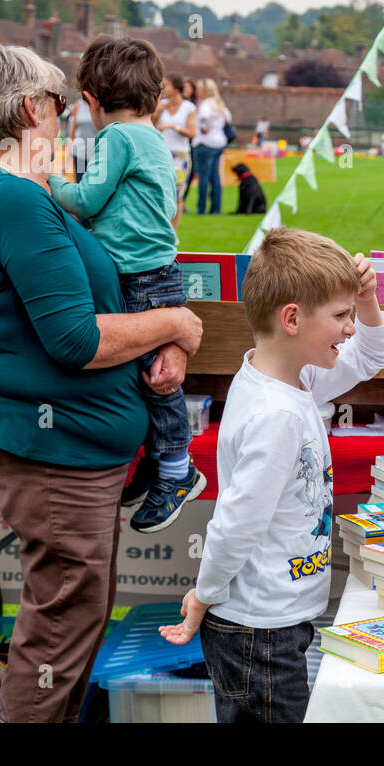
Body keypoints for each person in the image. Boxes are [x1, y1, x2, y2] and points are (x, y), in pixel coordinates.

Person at [0, 41, 203, 721]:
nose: (64, 117)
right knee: (56, 636)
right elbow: (76, 339)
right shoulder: (16, 202)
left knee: (69, 625)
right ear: (29, 108)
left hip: (67, 450)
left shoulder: (18, 195)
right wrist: (174, 322)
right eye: (57, 104)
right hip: (55, 454)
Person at [159, 227, 384, 723]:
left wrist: (368, 301)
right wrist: (203, 597)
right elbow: (236, 523)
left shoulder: (296, 375)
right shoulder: (277, 414)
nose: (351, 328)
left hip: (272, 624)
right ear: (292, 318)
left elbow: (372, 356)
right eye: (340, 315)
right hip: (258, 634)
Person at [48, 35, 207, 534]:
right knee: (153, 376)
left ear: (92, 100)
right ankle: (158, 464)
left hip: (139, 277)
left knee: (157, 381)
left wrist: (49, 182)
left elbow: (89, 200)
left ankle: (177, 471)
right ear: (156, 97)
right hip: (160, 273)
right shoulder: (157, 139)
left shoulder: (115, 138)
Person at [156, 74, 196, 226]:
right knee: (161, 193)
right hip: (162, 154)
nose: (164, 89)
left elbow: (192, 133)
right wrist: (158, 112)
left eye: (167, 85)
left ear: (177, 89)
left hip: (180, 156)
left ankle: (173, 233)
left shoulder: (189, 108)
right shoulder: (162, 105)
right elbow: (152, 126)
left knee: (177, 195)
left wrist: (173, 127)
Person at [191, 78, 231, 215]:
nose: (197, 91)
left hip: (205, 143)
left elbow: (203, 116)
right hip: (219, 142)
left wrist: (203, 126)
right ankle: (215, 208)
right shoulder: (219, 103)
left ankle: (201, 208)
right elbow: (228, 118)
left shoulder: (205, 104)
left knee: (203, 176)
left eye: (199, 88)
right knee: (215, 176)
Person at [66, 94, 97, 181]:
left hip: (96, 156)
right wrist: (67, 158)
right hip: (79, 155)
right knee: (80, 185)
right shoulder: (79, 104)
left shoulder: (101, 104)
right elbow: (72, 132)